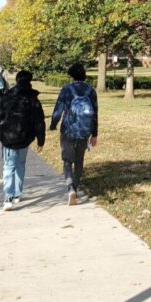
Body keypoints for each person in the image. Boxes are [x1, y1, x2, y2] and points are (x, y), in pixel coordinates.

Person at [0, 69, 46, 210]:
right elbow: (39, 121)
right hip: (25, 137)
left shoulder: (8, 97)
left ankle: (8, 196)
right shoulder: (33, 99)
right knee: (21, 164)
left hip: (8, 137)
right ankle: (17, 193)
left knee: (9, 166)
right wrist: (40, 139)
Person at [49, 61, 99, 205]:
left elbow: (58, 110)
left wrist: (53, 124)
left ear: (71, 75)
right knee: (79, 161)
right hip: (84, 131)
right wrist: (94, 134)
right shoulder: (91, 91)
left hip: (68, 131)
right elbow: (95, 114)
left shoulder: (66, 90)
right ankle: (75, 189)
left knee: (67, 161)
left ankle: (70, 187)